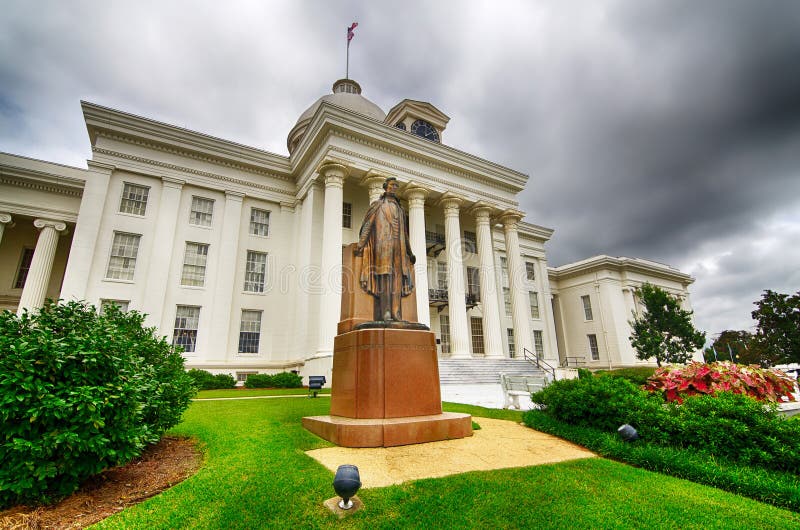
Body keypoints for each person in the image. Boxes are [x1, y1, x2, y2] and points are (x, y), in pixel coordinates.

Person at [354, 177, 416, 321]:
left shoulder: (400, 210)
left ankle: (396, 312)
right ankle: (386, 312)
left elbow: (405, 234)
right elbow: (368, 225)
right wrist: (361, 244)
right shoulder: (377, 205)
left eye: (396, 186)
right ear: (385, 187)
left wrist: (410, 252)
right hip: (383, 249)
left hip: (399, 250)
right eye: (392, 185)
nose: (394, 188)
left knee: (397, 282)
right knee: (385, 280)